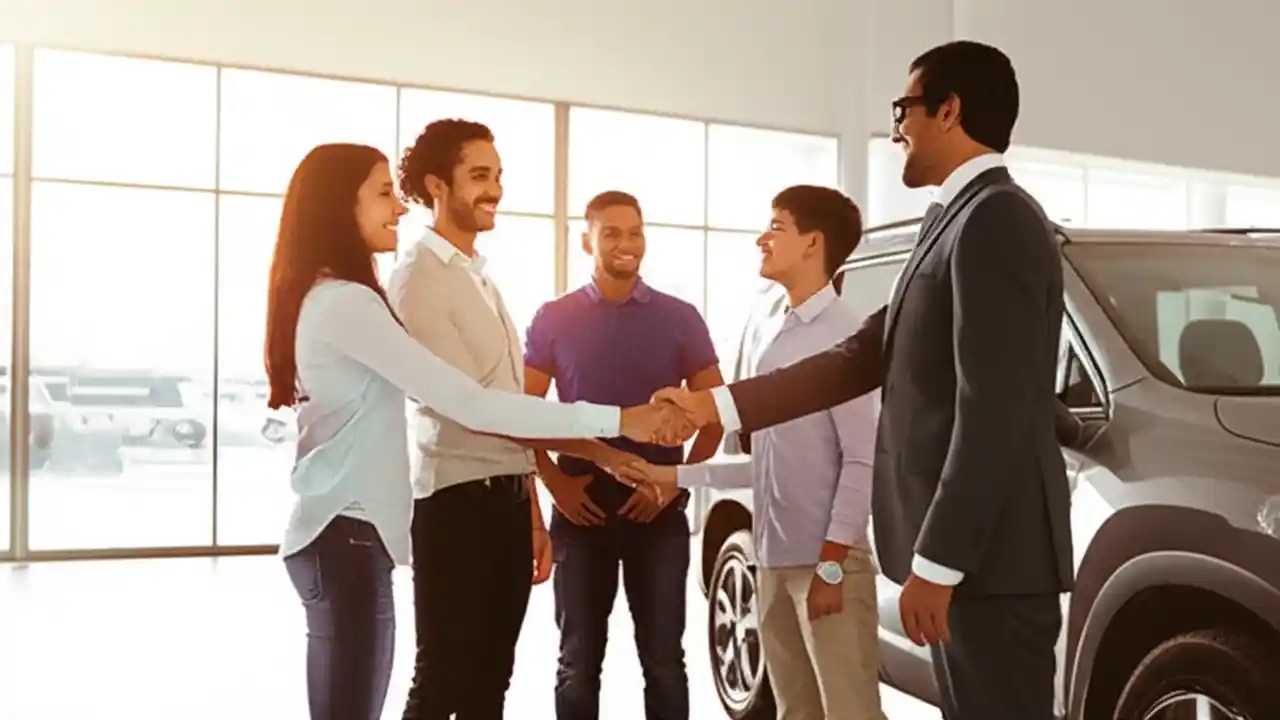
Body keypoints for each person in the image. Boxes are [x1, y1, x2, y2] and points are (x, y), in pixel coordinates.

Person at [647, 41, 1072, 720]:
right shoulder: (954, 220)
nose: (897, 128)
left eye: (905, 109)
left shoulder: (997, 219)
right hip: (978, 568)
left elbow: (993, 409)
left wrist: (940, 562)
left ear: (949, 110)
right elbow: (857, 358)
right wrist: (712, 406)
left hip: (991, 567)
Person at [263, 143, 680, 720]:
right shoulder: (353, 301)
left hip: (356, 536)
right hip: (351, 534)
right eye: (383, 193)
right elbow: (472, 405)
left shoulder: (379, 293)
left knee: (478, 686)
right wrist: (621, 421)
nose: (398, 208)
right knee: (432, 688)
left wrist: (542, 491)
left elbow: (495, 403)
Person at [628, 185, 885, 720]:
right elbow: (768, 462)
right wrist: (678, 476)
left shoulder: (848, 339)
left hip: (825, 566)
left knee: (851, 714)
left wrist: (832, 564)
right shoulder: (776, 334)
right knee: (795, 713)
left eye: (776, 227)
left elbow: (863, 460)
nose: (762, 239)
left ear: (813, 243)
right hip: (773, 561)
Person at [522, 190, 724, 720]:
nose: (626, 243)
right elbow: (522, 417)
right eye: (611, 233)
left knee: (664, 662)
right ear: (586, 240)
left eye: (634, 232)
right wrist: (555, 484)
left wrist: (676, 485)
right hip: (580, 510)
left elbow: (716, 415)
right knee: (577, 663)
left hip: (658, 514)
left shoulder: (680, 318)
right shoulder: (554, 318)